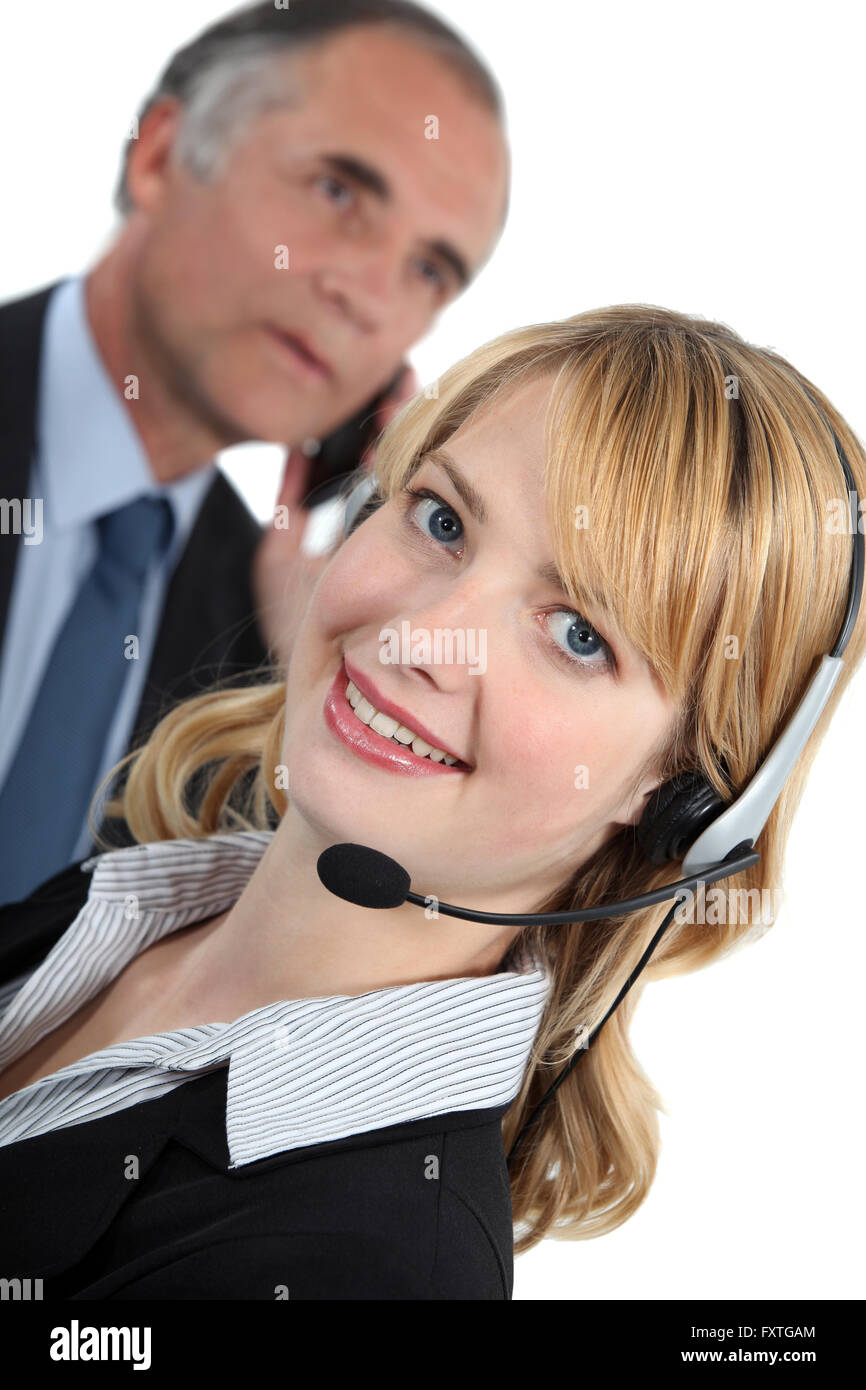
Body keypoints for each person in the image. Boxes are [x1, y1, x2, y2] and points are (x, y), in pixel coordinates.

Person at [0, 306, 862, 1299]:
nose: (421, 635)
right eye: (442, 520)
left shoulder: (369, 1272)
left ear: (683, 794)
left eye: (577, 633)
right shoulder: (118, 912)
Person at [0, 0, 509, 904]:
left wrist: (308, 675)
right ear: (160, 156)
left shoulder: (274, 638)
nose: (368, 298)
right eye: (339, 192)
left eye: (428, 269)